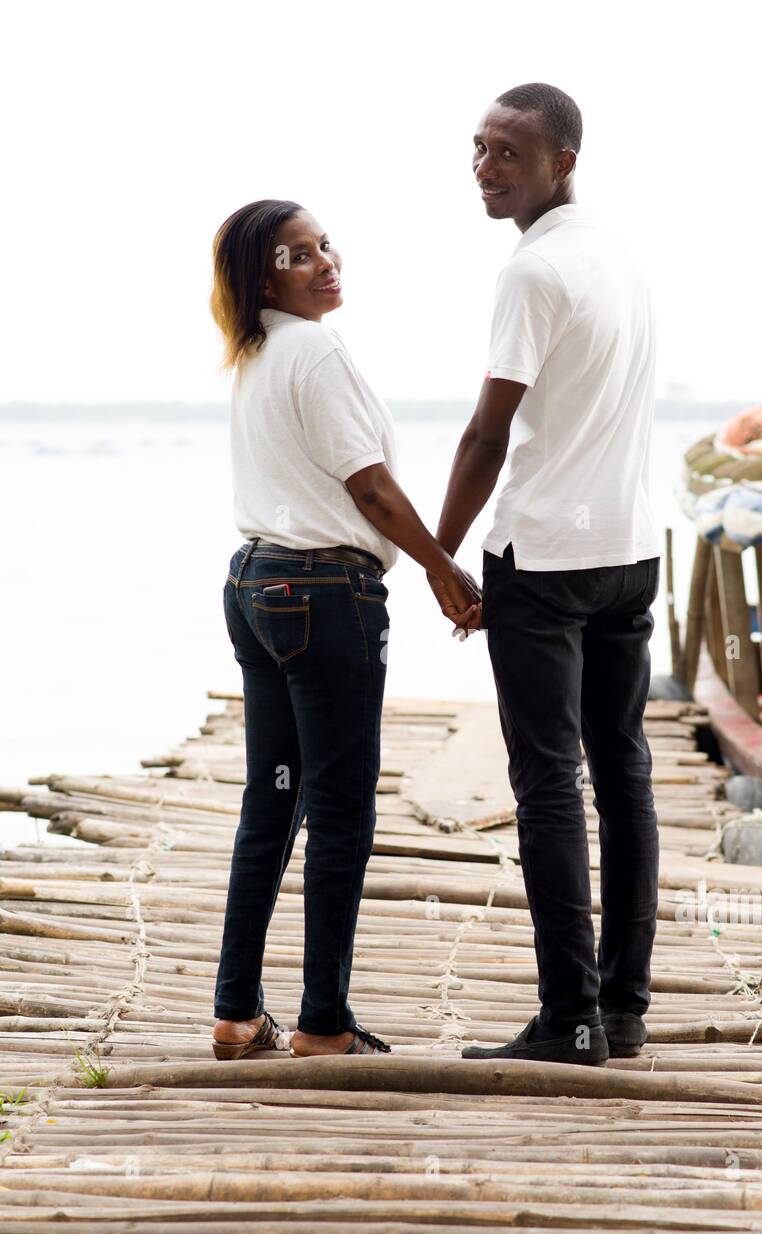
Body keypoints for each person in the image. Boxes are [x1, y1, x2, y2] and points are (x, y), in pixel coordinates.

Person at [209, 199, 479, 1061]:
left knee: (272, 800)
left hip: (256, 584)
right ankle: (323, 1023)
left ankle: (237, 1013)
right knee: (340, 810)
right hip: (324, 592)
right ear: (262, 278)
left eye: (325, 244)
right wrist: (442, 566)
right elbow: (368, 489)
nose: (325, 260)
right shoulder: (312, 350)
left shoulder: (255, 353)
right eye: (297, 255)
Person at [432, 83, 661, 1066]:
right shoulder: (614, 254)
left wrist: (441, 553)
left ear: (561, 160)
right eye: (479, 148)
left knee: (551, 784)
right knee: (621, 769)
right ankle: (622, 1009)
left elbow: (490, 431)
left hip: (545, 560)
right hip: (628, 551)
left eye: (509, 154)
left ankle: (569, 1019)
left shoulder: (533, 273)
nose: (487, 167)